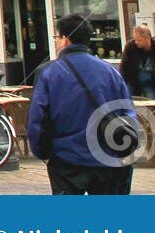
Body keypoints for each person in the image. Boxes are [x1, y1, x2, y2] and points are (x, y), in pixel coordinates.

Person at [28, 13, 141, 195]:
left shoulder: (49, 73)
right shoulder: (110, 71)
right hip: (107, 157)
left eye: (57, 37)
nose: (57, 42)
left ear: (66, 39)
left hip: (66, 158)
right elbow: (127, 112)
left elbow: (37, 119)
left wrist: (42, 152)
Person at [120, 25, 155, 100]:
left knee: (151, 105)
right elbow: (123, 69)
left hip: (150, 86)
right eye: (135, 39)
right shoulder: (130, 49)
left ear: (148, 38)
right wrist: (120, 88)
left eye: (139, 40)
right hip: (132, 84)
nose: (136, 42)